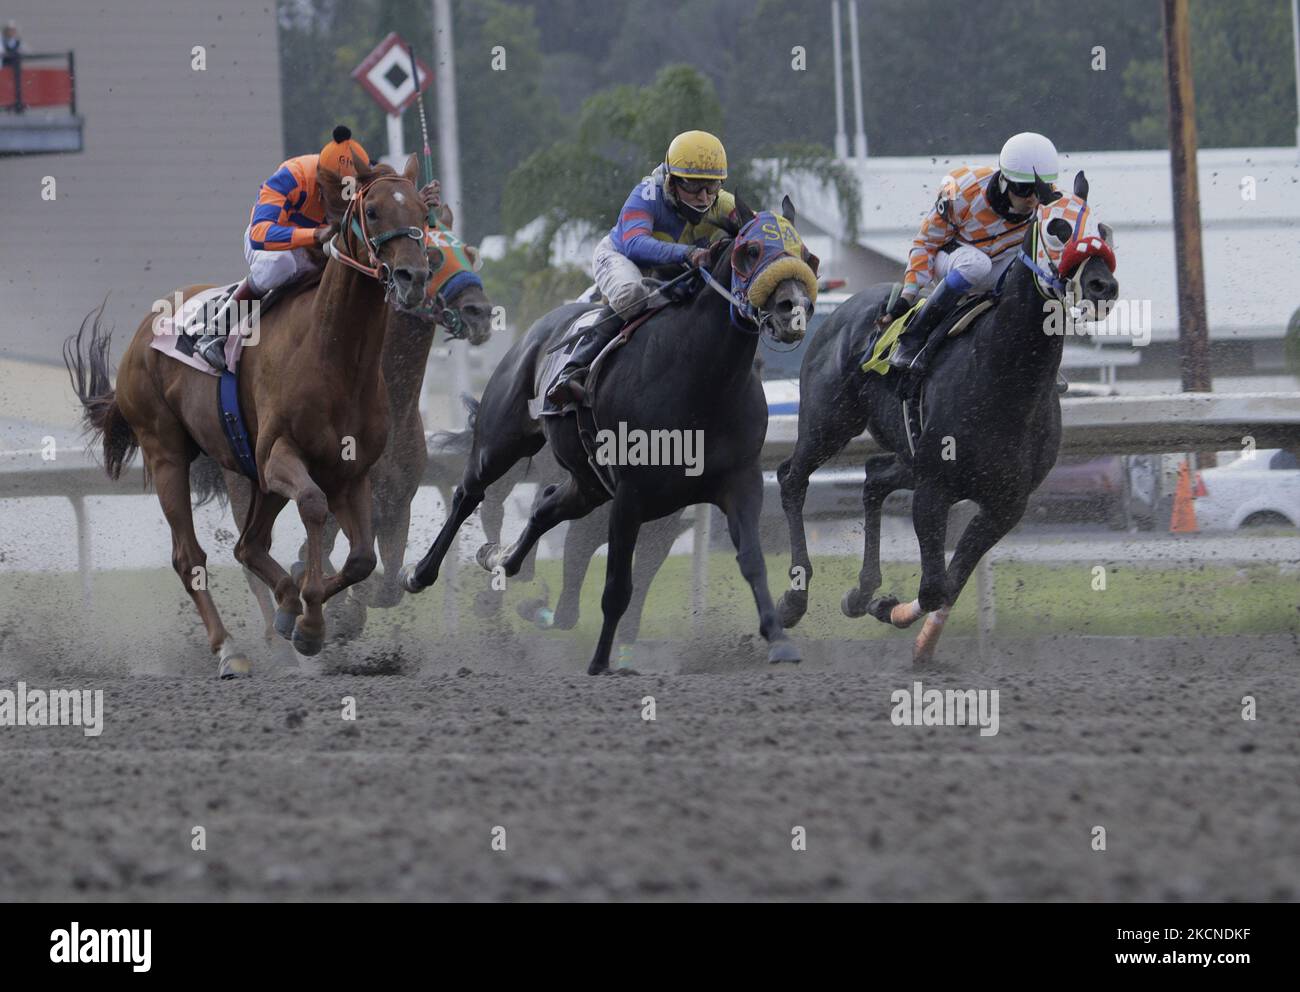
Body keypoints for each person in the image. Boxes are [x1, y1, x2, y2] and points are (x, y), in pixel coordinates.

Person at [195, 125, 449, 370]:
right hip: (277, 245)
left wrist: (417, 198)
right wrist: (314, 235)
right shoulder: (291, 177)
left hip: (324, 247)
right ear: (321, 179)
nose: (342, 204)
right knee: (280, 265)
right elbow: (260, 234)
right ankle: (216, 330)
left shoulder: (366, 175)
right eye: (335, 194)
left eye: (347, 194)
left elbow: (395, 197)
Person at [545, 129, 739, 407]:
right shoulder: (647, 193)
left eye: (712, 186)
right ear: (672, 182)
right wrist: (689, 253)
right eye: (694, 186)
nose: (704, 197)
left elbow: (757, 232)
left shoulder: (722, 202)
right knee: (631, 294)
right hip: (622, 258)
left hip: (672, 270)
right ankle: (573, 370)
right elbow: (635, 244)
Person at [886, 131, 1060, 380]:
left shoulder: (1050, 203)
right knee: (977, 264)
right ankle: (913, 339)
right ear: (1004, 181)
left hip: (1001, 267)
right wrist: (909, 293)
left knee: (1037, 268)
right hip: (953, 260)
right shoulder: (960, 189)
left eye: (1039, 191)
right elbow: (925, 243)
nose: (1033, 199)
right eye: (1024, 189)